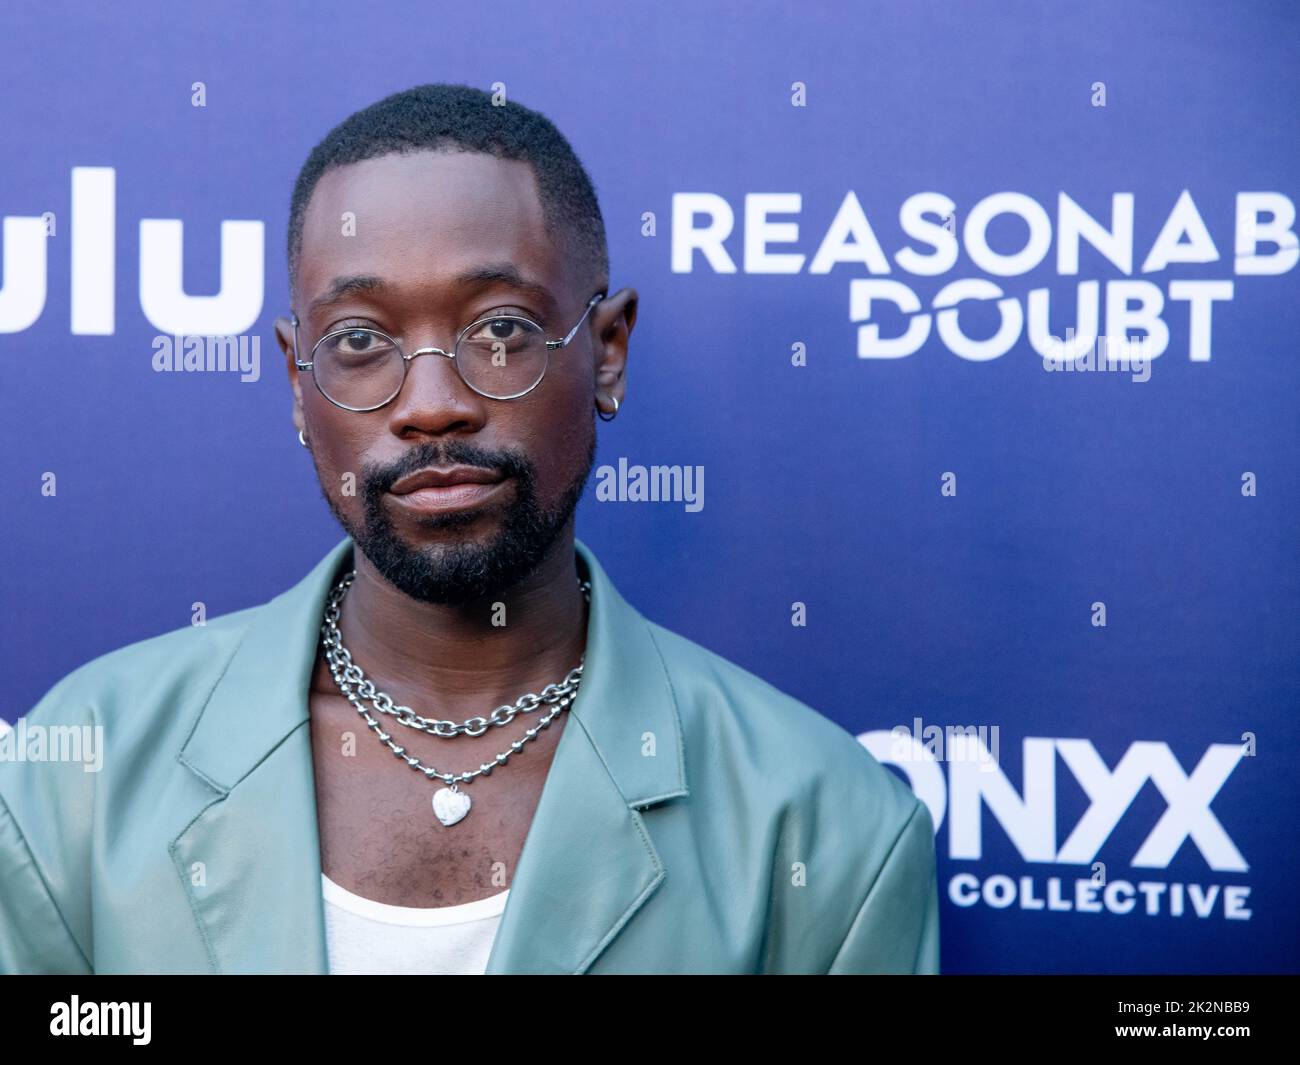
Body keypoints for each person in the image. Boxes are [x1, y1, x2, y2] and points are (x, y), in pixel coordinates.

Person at [0, 83, 939, 975]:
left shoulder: (823, 828)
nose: (434, 406)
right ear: (297, 380)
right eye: (361, 342)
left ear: (607, 351)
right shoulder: (80, 772)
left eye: (500, 330)